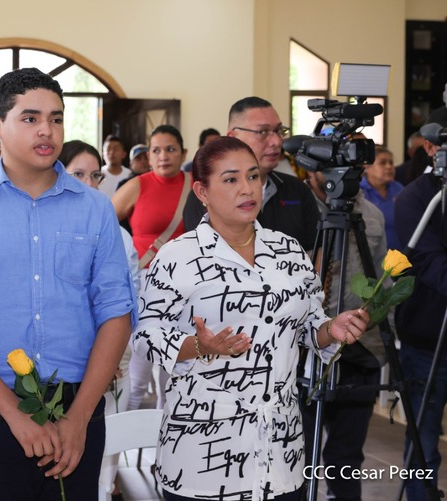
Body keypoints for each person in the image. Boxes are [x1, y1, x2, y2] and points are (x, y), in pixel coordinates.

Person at [0, 67, 135, 499]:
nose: (47, 130)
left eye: (56, 118)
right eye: (31, 118)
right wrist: (15, 415)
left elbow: (116, 313)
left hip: (78, 410)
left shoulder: (95, 209)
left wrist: (78, 419)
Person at [134, 137, 369, 501]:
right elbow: (146, 335)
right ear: (202, 191)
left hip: (281, 451)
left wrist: (329, 330)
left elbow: (309, 325)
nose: (247, 189)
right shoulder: (177, 257)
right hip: (203, 453)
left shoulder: (287, 250)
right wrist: (198, 345)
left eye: (253, 176)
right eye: (230, 180)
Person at [58, 139, 140, 501]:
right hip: (55, 365)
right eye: (78, 175)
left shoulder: (118, 235)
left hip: (110, 362)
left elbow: (129, 301)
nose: (90, 185)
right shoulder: (41, 230)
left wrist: (112, 358)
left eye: (96, 175)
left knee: (103, 460)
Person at [302, 166, 388, 501]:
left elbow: (384, 279)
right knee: (300, 455)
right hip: (306, 349)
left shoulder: (370, 214)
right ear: (311, 165)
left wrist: (382, 323)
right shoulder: (298, 209)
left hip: (360, 346)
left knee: (347, 457)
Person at [111, 124, 189, 410]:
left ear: (184, 153)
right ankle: (122, 450)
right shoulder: (137, 185)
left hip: (185, 288)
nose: (163, 156)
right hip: (144, 285)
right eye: (156, 150)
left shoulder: (196, 185)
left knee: (172, 377)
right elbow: (104, 225)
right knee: (138, 375)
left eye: (170, 149)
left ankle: (164, 452)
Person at [183, 96, 320, 253]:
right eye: (262, 132)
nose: (276, 141)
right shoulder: (209, 195)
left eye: (278, 131)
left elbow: (317, 250)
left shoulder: (297, 190)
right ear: (233, 137)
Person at [394, 106, 447, 501]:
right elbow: (434, 267)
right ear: (431, 147)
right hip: (428, 341)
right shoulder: (415, 198)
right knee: (424, 445)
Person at [360, 146, 404, 250]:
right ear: (367, 166)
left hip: (399, 256)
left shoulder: (398, 188)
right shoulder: (358, 191)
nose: (389, 167)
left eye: (391, 163)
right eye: (382, 163)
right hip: (371, 254)